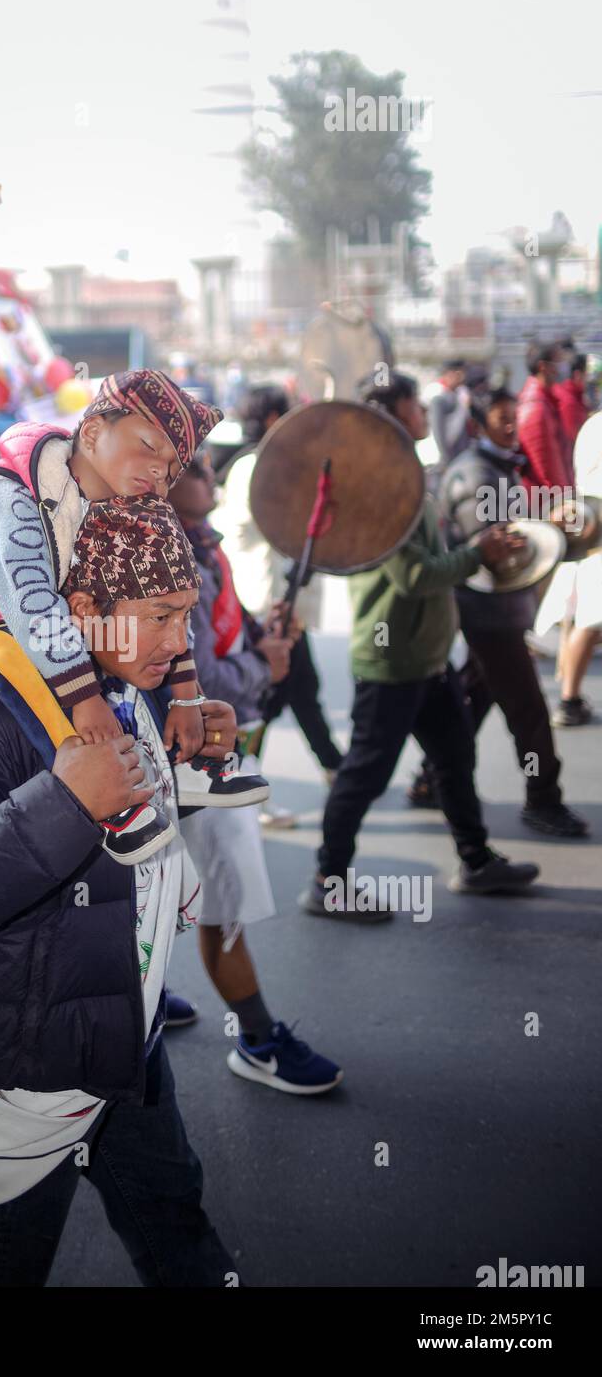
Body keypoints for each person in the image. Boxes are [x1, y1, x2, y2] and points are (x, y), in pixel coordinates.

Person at [0, 495, 241, 1286]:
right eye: (160, 616)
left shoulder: (124, 691)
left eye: (187, 616)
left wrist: (187, 759)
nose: (180, 644)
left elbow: (129, 830)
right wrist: (63, 801)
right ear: (81, 608)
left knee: (178, 1225)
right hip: (24, 1066)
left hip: (122, 1042)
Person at [0, 370, 268, 868]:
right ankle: (106, 800)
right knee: (34, 672)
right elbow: (30, 604)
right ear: (92, 432)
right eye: (148, 445)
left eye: (171, 465)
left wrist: (187, 697)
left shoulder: (117, 499)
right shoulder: (12, 491)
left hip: (37, 616)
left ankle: (184, 769)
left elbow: (165, 603)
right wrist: (85, 703)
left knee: (118, 657)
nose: (158, 470)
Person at [301, 370, 540, 920]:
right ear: (396, 414)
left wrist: (475, 547)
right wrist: (479, 553)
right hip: (392, 662)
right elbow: (413, 578)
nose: (425, 414)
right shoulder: (384, 485)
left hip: (428, 660)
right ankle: (327, 881)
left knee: (455, 758)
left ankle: (476, 862)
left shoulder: (407, 471)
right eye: (416, 406)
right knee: (366, 773)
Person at [168, 452, 342, 1092]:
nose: (210, 478)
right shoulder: (164, 554)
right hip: (197, 750)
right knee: (225, 896)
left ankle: (141, 998)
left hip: (218, 745)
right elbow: (195, 678)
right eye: (195, 469)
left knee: (171, 889)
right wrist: (259, 665)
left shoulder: (204, 546)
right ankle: (258, 1039)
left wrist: (259, 638)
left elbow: (223, 642)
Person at [409, 388, 588, 837]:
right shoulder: (477, 475)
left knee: (475, 695)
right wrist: (554, 534)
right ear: (479, 423)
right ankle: (543, 799)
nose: (511, 425)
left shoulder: (497, 465)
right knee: (528, 710)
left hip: (495, 610)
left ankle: (431, 778)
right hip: (490, 612)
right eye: (501, 418)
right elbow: (496, 552)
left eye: (514, 417)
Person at [211, 383, 344, 828]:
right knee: (266, 703)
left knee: (300, 692)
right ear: (272, 420)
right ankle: (246, 790)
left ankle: (332, 768)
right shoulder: (258, 466)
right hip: (268, 609)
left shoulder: (262, 463)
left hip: (277, 608)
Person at [540, 410, 602, 726]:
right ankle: (568, 699)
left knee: (590, 619)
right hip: (596, 533)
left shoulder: (591, 425)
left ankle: (570, 699)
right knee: (592, 619)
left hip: (590, 527)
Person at [517, 343, 574, 491]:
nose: (562, 367)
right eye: (558, 361)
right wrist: (565, 503)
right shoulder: (535, 409)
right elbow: (547, 471)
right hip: (547, 506)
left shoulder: (547, 402)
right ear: (543, 367)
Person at [423, 359, 473, 467]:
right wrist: (445, 456)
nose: (462, 377)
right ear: (448, 374)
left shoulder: (461, 393)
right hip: (437, 456)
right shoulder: (437, 393)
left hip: (456, 454)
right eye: (458, 373)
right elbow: (437, 429)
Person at [554, 352, 592, 450]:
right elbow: (578, 439)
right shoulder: (569, 402)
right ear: (578, 375)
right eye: (587, 375)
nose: (589, 380)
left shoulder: (575, 396)